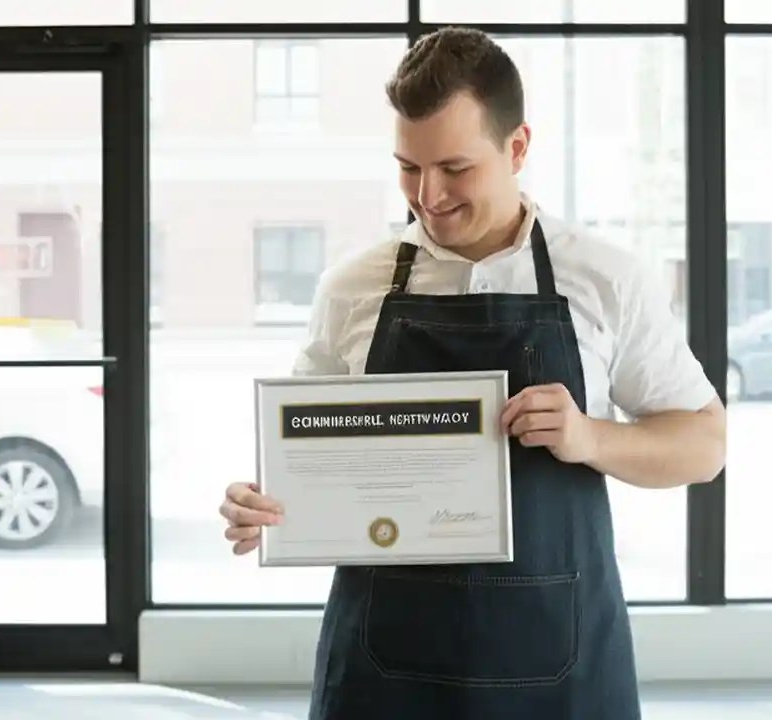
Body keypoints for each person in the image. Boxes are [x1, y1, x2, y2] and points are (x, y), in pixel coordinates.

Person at [219, 27, 727, 719]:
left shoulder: (605, 278)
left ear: (517, 148)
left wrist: (590, 438)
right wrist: (262, 507)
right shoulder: (351, 288)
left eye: (454, 168)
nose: (428, 195)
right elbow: (303, 461)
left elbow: (704, 445)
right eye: (408, 167)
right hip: (383, 668)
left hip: (559, 663)